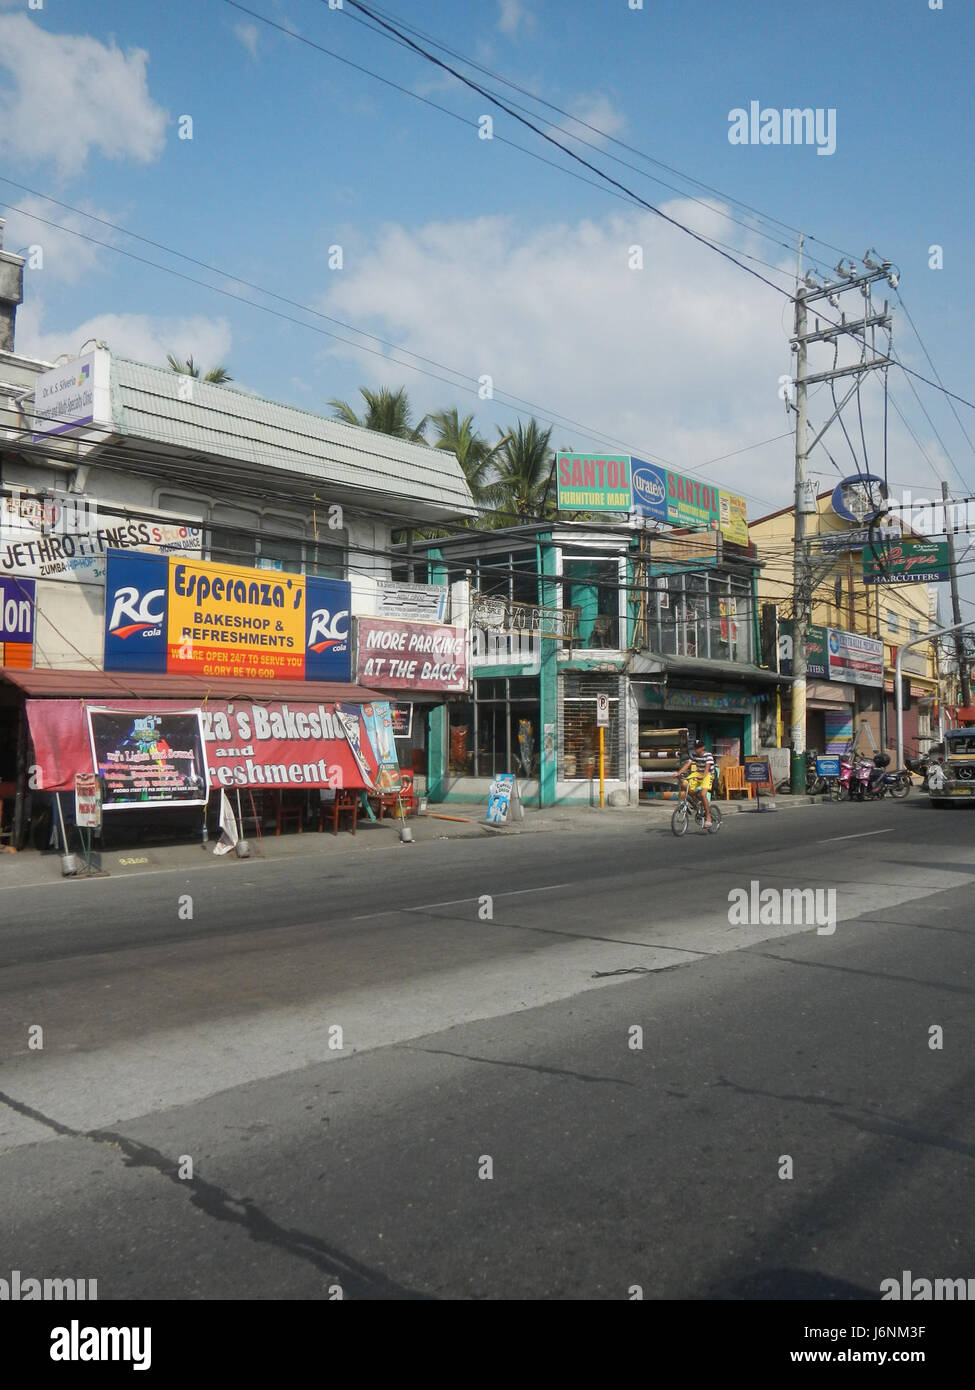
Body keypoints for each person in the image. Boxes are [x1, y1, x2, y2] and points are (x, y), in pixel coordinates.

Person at [677, 739, 716, 828]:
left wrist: (703, 776)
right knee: (684, 784)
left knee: (703, 794)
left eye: (698, 748)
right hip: (698, 773)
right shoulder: (694, 755)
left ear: (703, 747)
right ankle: (696, 800)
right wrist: (679, 773)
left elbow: (707, 768)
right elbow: (688, 764)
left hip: (708, 775)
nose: (696, 750)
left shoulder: (708, 755)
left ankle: (708, 817)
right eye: (695, 748)